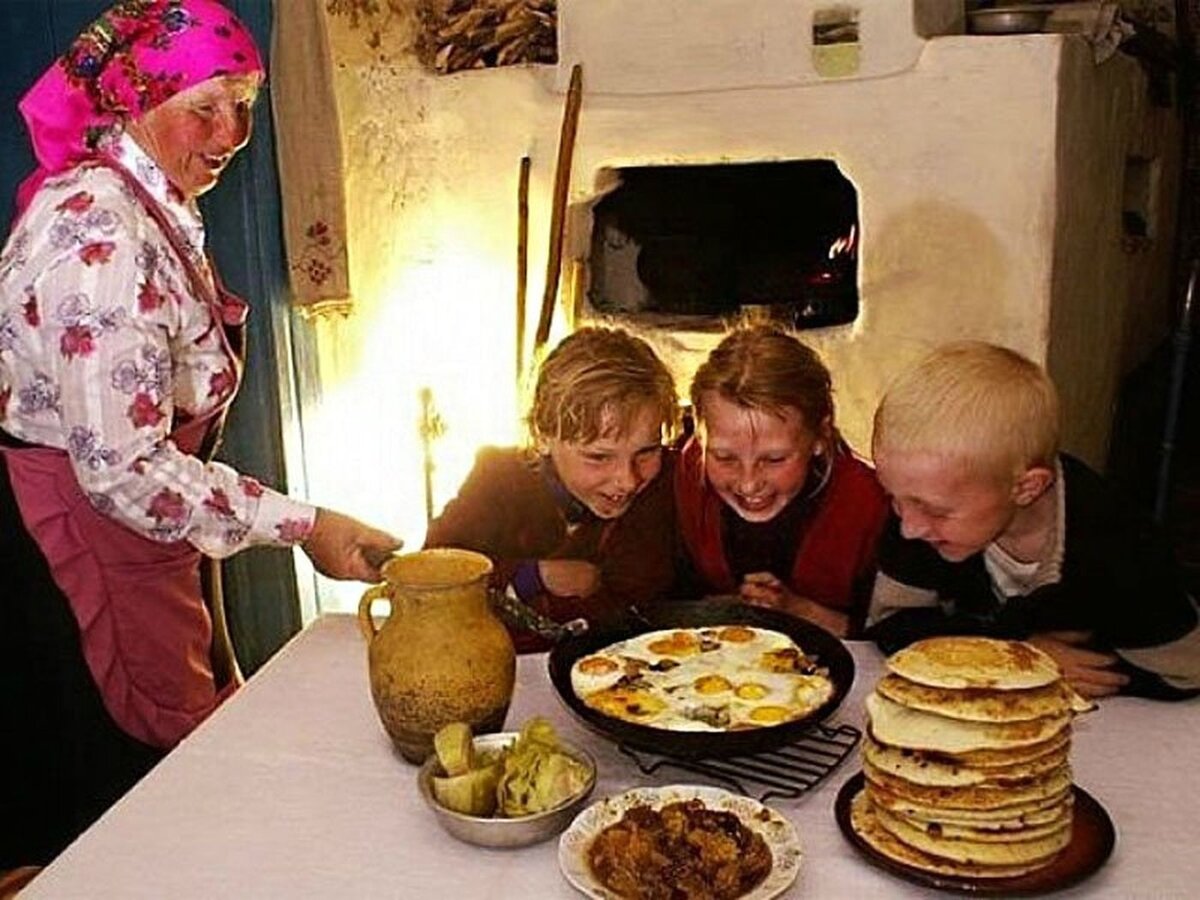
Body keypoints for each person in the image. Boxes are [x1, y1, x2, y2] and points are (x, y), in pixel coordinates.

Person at [0, 1, 400, 868]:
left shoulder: (147, 194)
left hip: (142, 530)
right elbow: (125, 469)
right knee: (142, 796)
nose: (233, 132)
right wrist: (307, 524)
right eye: (206, 106)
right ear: (134, 97)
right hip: (94, 534)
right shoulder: (100, 235)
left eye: (246, 103)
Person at [865, 340, 1200, 699]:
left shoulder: (1119, 548)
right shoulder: (922, 507)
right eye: (894, 499)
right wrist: (1013, 656)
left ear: (1026, 488)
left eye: (936, 510)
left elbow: (1186, 675)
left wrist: (1056, 671)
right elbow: (890, 625)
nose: (908, 527)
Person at [424, 326, 679, 652]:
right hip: (502, 673)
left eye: (646, 452)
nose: (628, 479)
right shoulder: (498, 479)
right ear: (543, 435)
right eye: (598, 456)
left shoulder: (666, 486)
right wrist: (532, 576)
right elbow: (428, 579)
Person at [675, 324, 888, 638]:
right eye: (724, 457)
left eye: (774, 460)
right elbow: (665, 598)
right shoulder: (683, 477)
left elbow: (897, 637)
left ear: (820, 435)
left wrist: (799, 611)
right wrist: (729, 608)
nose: (748, 484)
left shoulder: (871, 504)